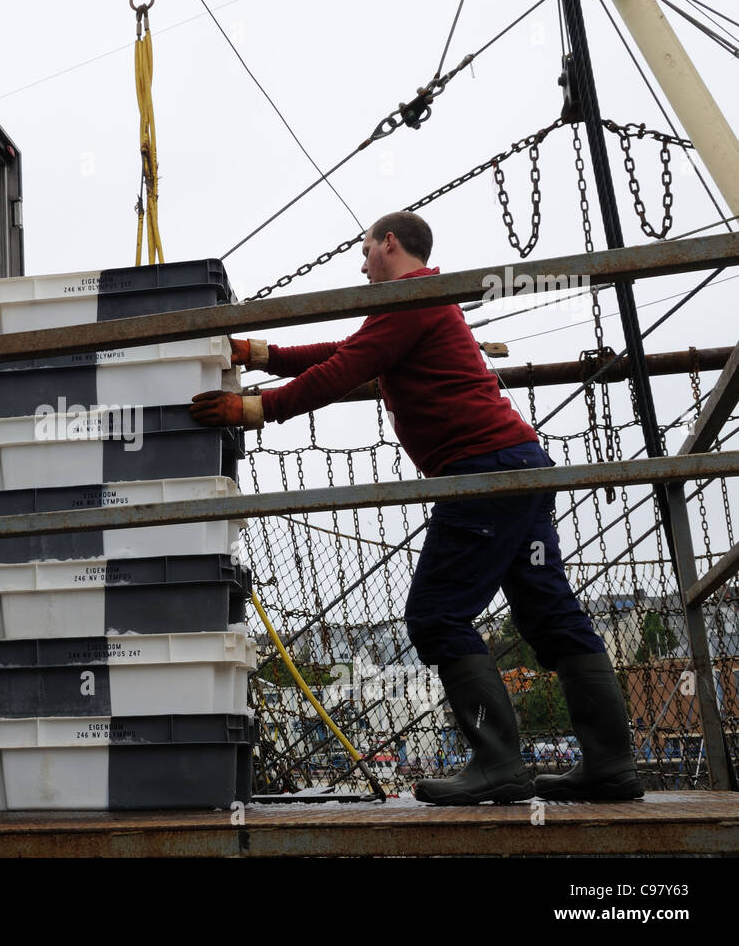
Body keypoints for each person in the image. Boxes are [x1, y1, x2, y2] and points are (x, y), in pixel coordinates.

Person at [191, 211, 643, 805]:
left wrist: (256, 409)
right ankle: (610, 764)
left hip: (483, 471)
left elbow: (346, 367)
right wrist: (264, 354)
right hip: (519, 465)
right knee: (549, 611)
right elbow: (350, 350)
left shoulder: (412, 297)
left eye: (364, 250)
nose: (360, 264)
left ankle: (498, 763)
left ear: (389, 242)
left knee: (437, 615)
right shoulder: (423, 302)